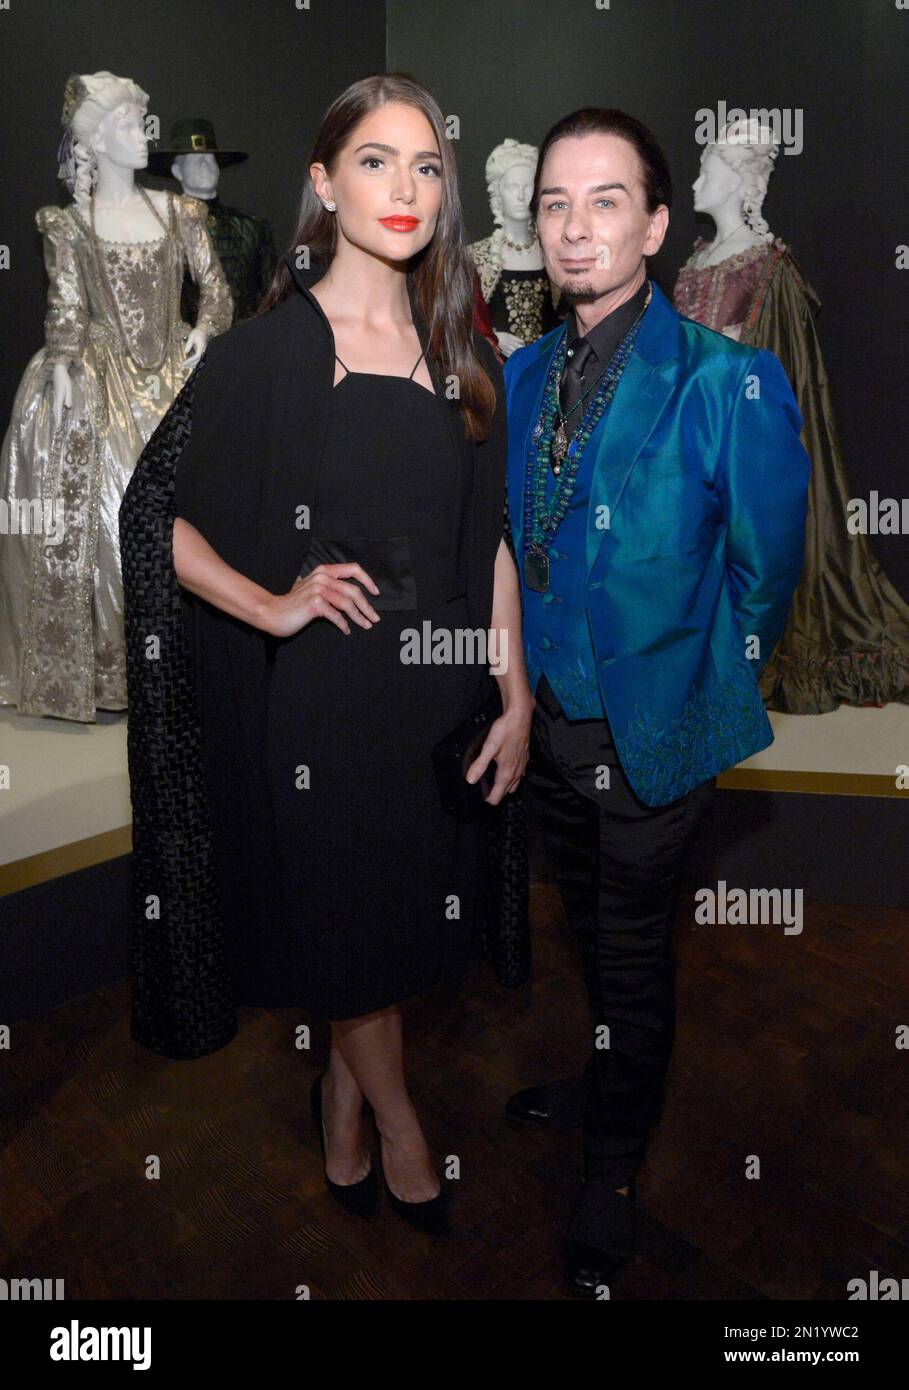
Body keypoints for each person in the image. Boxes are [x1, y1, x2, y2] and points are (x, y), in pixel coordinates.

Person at [119, 74, 534, 1235]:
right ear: (321, 182)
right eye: (373, 162)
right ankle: (402, 1131)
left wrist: (513, 689)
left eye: (426, 169)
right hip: (324, 704)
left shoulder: (461, 350)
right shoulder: (268, 352)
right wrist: (270, 603)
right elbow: (154, 516)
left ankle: (340, 1101)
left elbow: (488, 538)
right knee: (353, 924)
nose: (404, 190)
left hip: (436, 697)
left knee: (397, 928)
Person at [501, 108, 811, 1294]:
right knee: (590, 936)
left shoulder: (731, 379)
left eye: (605, 201)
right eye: (554, 205)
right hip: (549, 730)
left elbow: (767, 571)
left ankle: (612, 1172)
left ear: (658, 223)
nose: (575, 229)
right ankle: (605, 1073)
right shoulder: (522, 373)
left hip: (655, 739)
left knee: (633, 957)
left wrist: (696, 684)